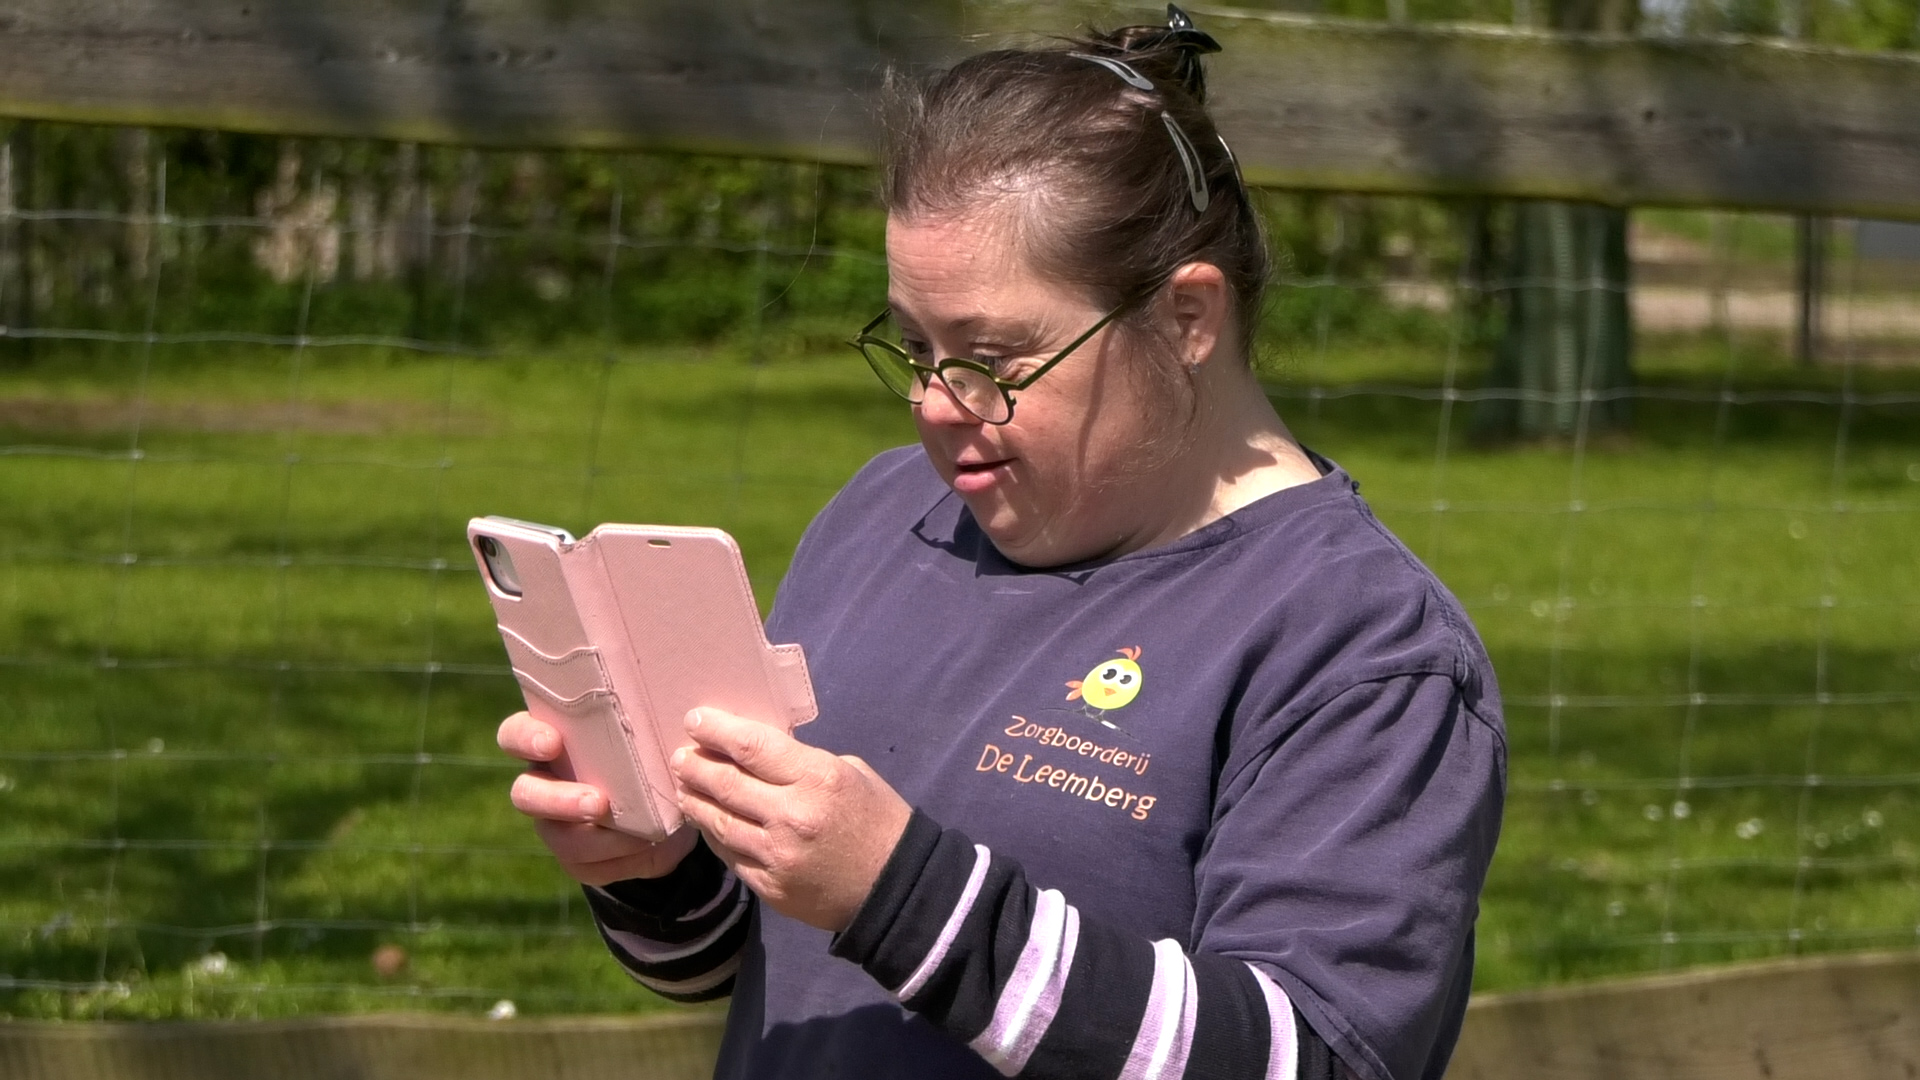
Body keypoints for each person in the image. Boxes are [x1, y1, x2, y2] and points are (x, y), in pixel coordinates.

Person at [496, 7, 1505, 1079]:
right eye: (915, 344)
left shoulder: (1358, 648)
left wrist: (902, 896)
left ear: (1187, 319)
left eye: (994, 356)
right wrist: (652, 867)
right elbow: (749, 965)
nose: (936, 403)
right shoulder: (889, 515)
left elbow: (1316, 1058)